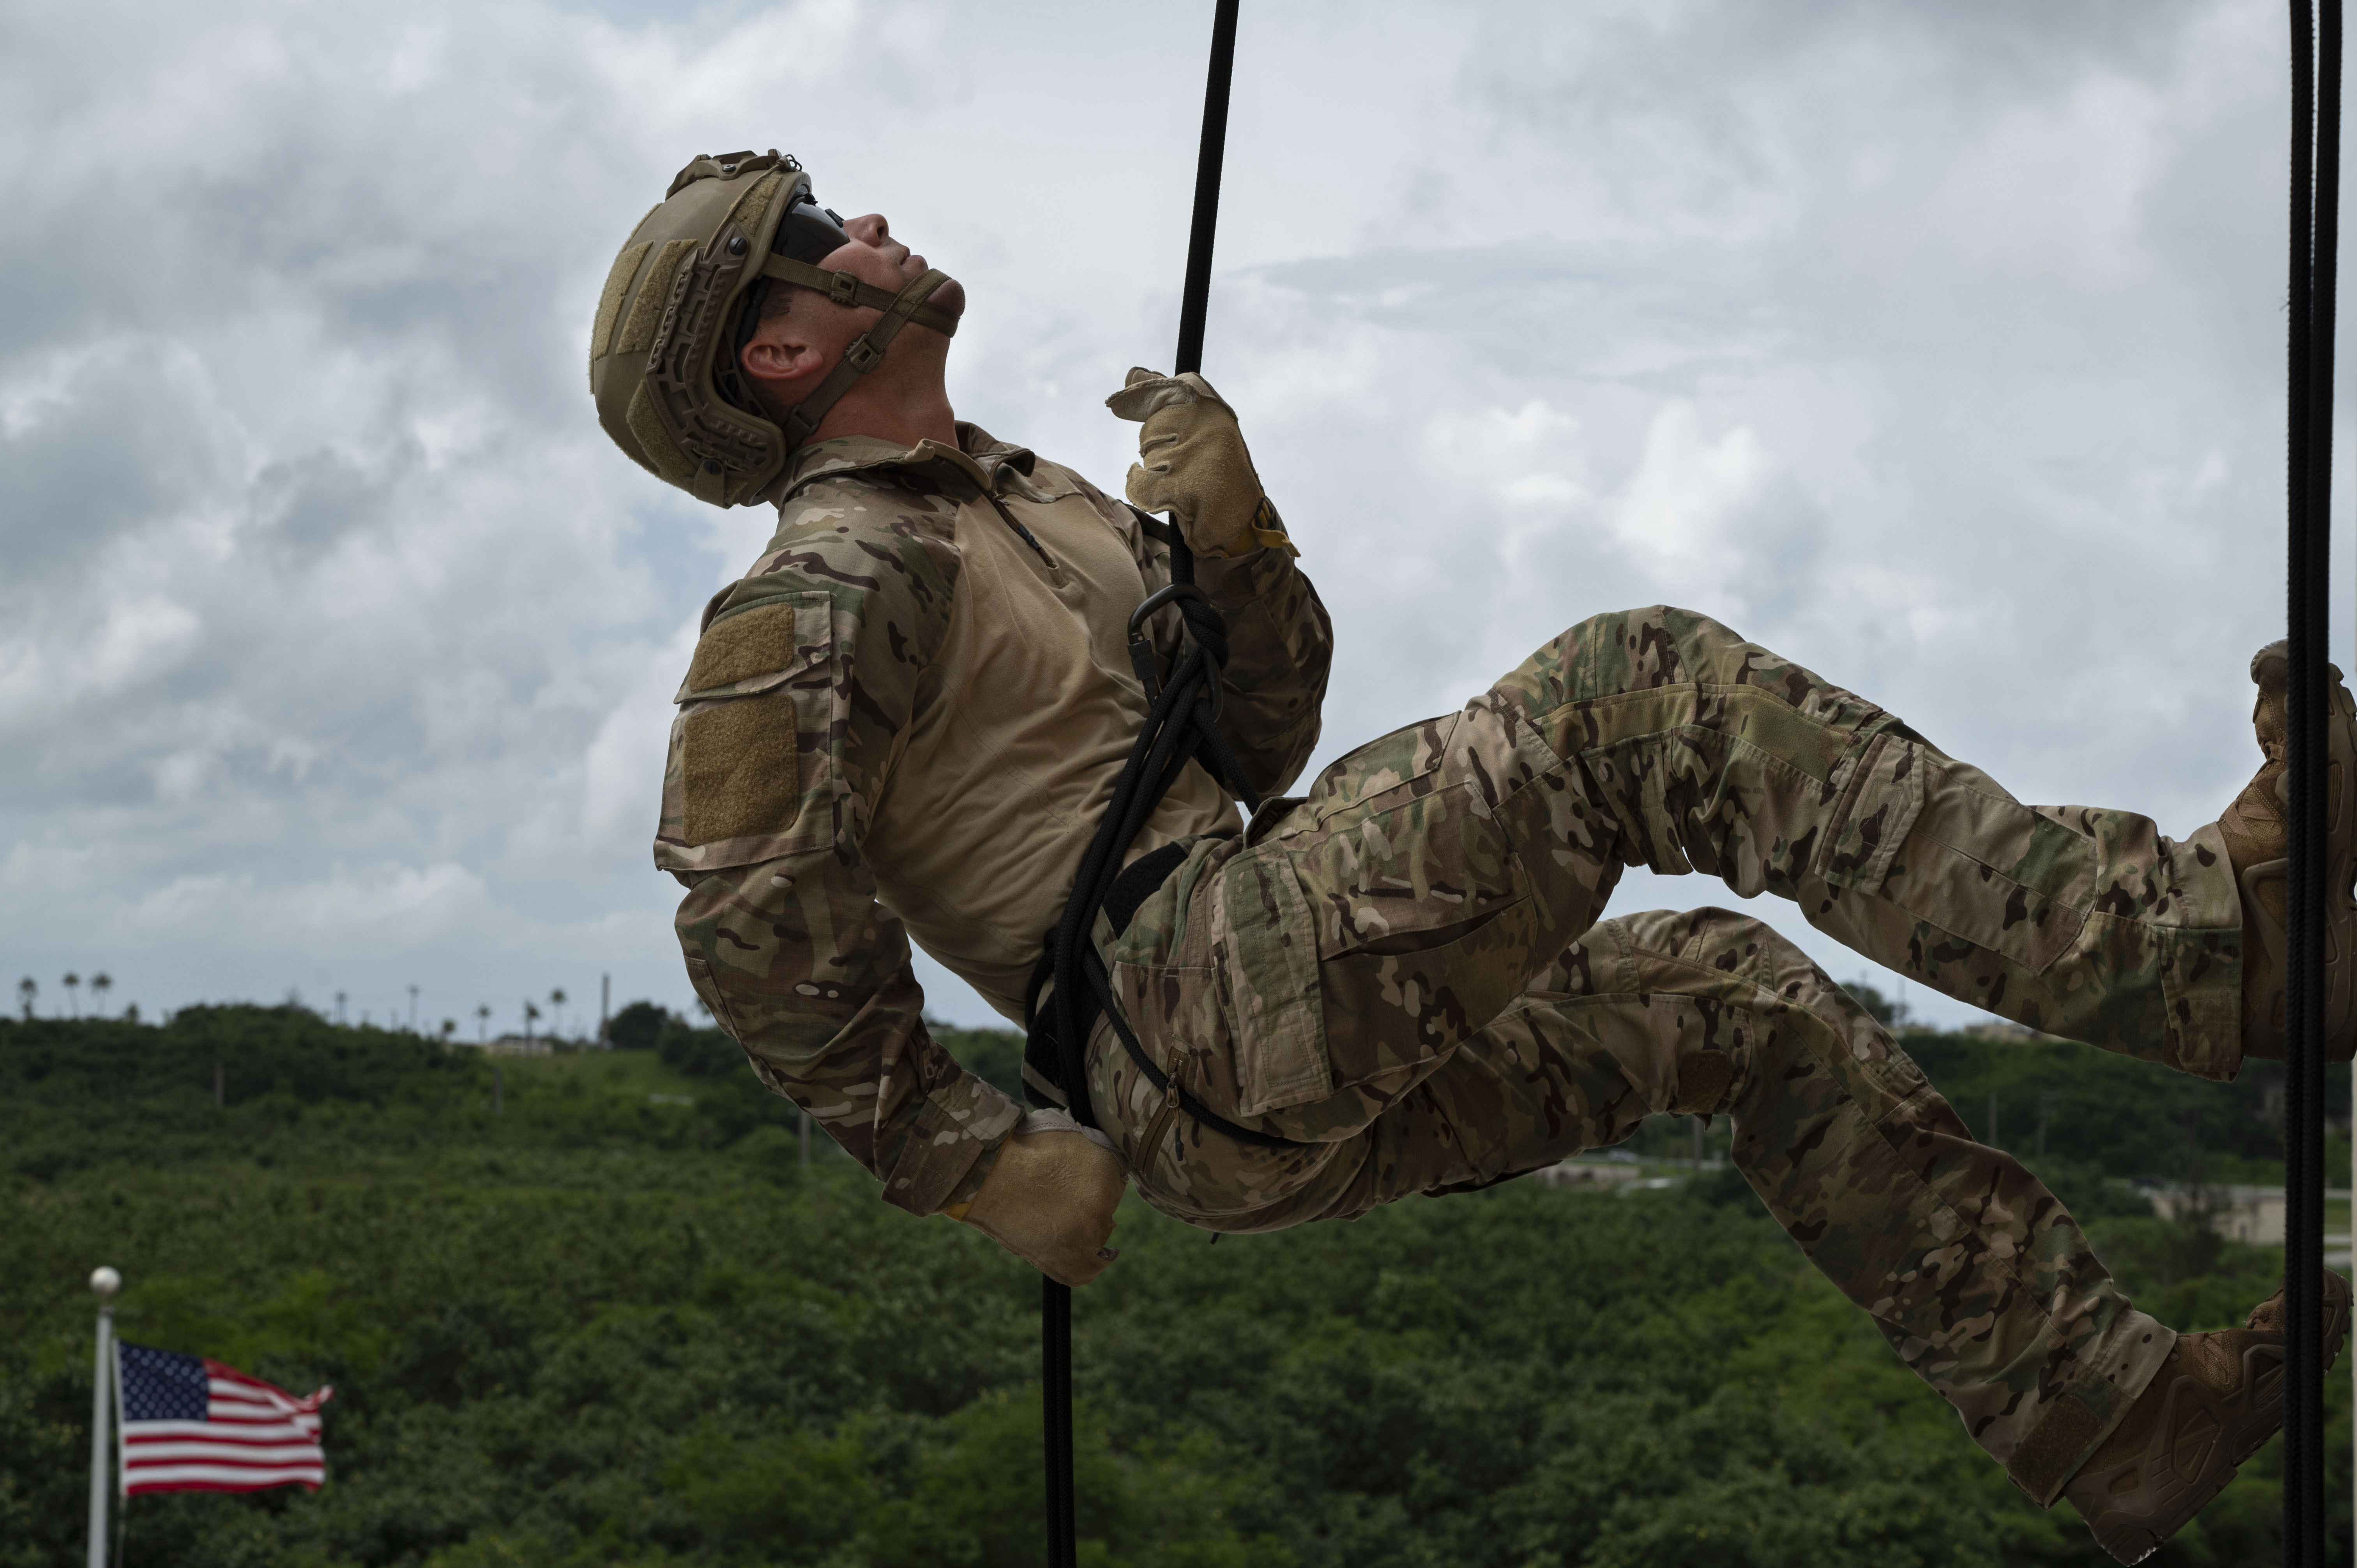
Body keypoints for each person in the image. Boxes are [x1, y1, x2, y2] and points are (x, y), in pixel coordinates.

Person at [590, 150, 2350, 1564]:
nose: (872, 224)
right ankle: (2217, 947)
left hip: (1240, 1004)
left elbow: (1258, 737)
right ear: (784, 349)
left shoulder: (1018, 501)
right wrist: (962, 1156)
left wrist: (1233, 540)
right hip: (1196, 998)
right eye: (821, 231)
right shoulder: (823, 585)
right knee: (1636, 698)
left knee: (1735, 1003)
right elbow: (749, 898)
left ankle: (2108, 1419)